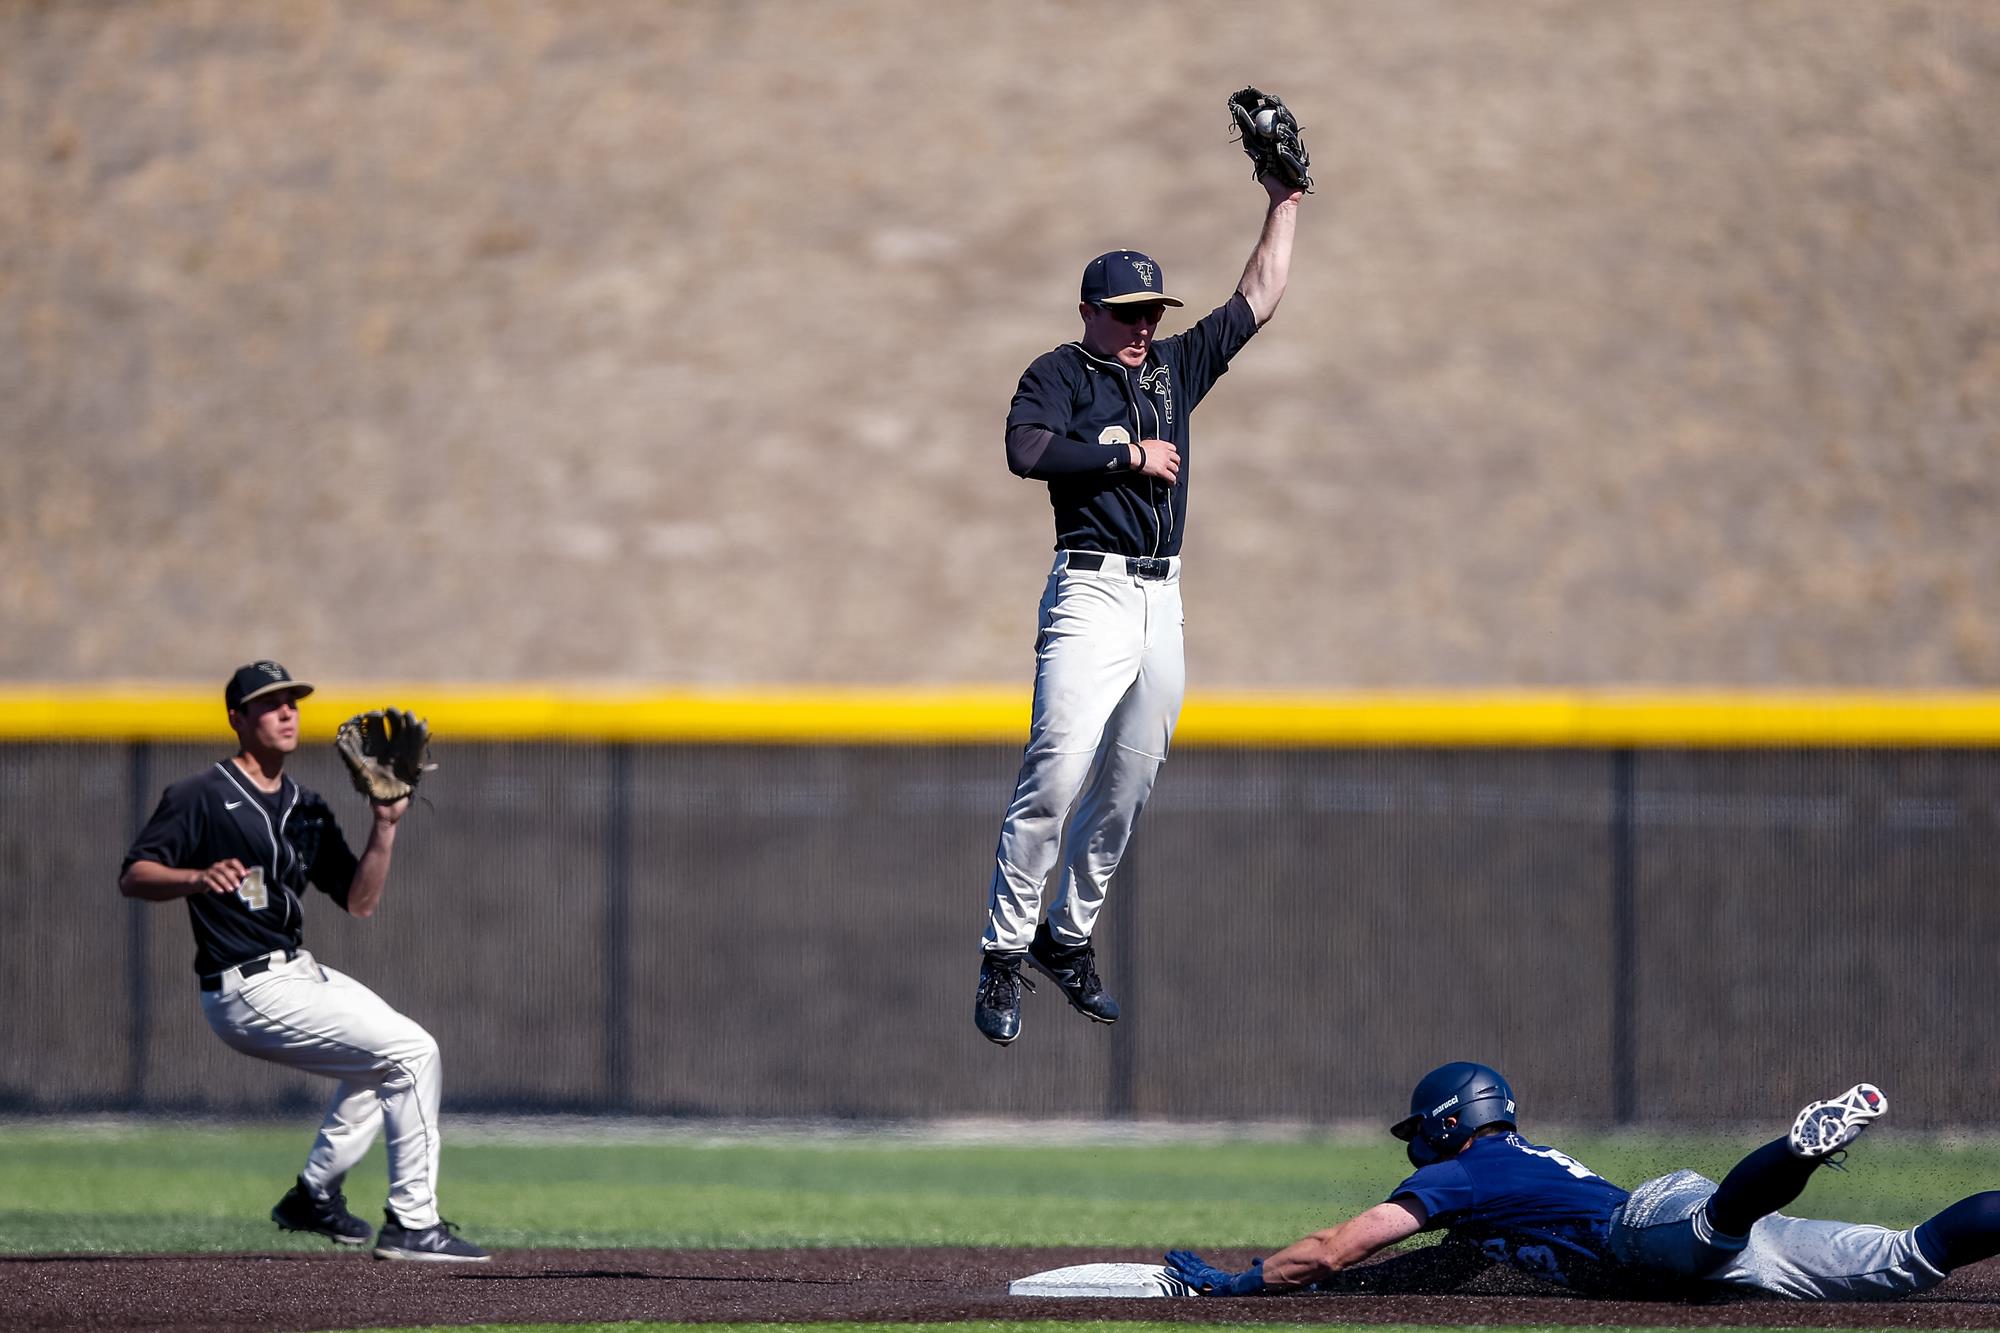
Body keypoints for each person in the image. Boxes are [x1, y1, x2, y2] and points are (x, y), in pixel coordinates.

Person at [973, 168, 1305, 1046]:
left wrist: (1284, 202)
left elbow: (1258, 298)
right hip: (1090, 590)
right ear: (1089, 311)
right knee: (1057, 768)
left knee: (1129, 779)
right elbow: (1025, 449)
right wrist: (1125, 458)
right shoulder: (1060, 372)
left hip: (1164, 596)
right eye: (1127, 313)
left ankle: (1067, 935)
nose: (1143, 325)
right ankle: (1003, 952)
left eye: (1152, 311)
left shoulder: (1172, 369)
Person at [118, 661, 488, 1263]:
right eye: (270, 703)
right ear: (237, 718)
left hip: (297, 971)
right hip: (245, 987)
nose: (287, 711)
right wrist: (195, 876)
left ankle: (314, 1194)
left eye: (292, 701)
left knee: (385, 1062)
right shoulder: (200, 795)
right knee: (414, 1052)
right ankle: (412, 1223)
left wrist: (385, 825)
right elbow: (134, 875)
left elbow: (359, 901)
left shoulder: (305, 805)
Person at [1164, 1061, 2000, 1303]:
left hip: (1650, 1227)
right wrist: (1332, 1288)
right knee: (1909, 1259)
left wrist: (1246, 1282)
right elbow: (1435, 1264)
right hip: (1700, 1255)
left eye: (1421, 1126)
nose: (1416, 1142)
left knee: (1710, 1226)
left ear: (1448, 1120)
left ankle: (1797, 1149)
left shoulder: (1465, 1172)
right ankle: (1791, 1159)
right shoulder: (1511, 1168)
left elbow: (1338, 1244)